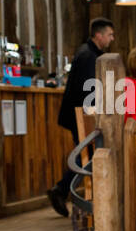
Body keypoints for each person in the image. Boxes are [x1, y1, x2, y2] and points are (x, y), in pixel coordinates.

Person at [48, 17, 116, 215]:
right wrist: (96, 114)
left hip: (80, 113)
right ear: (99, 35)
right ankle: (64, 191)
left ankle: (63, 190)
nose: (112, 38)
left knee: (87, 155)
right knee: (87, 156)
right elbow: (88, 90)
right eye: (109, 34)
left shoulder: (89, 53)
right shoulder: (88, 56)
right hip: (82, 115)